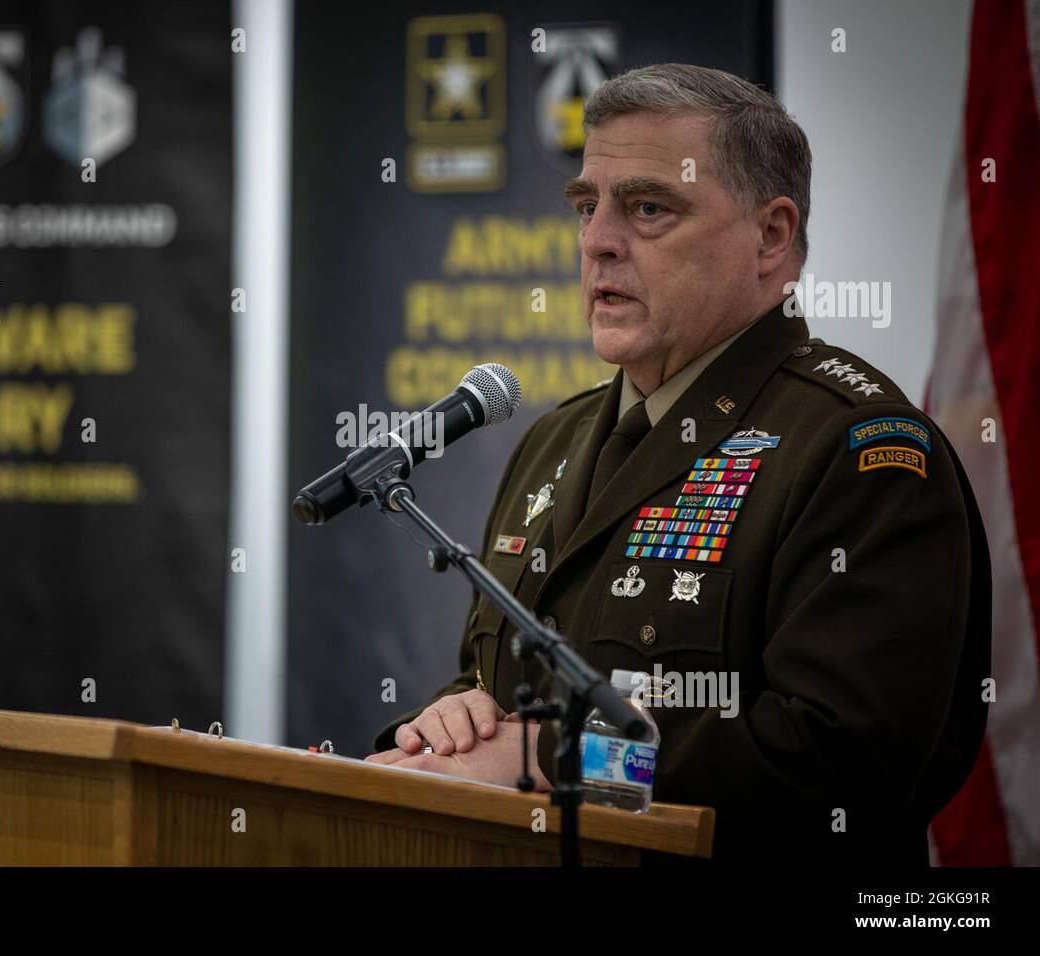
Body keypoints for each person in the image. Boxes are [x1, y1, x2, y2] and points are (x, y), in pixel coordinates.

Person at [367, 63, 990, 863]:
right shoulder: (553, 441)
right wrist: (452, 722)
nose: (597, 241)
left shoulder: (858, 451)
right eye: (587, 206)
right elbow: (497, 686)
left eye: (649, 208)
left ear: (771, 236)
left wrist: (552, 763)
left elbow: (838, 763)